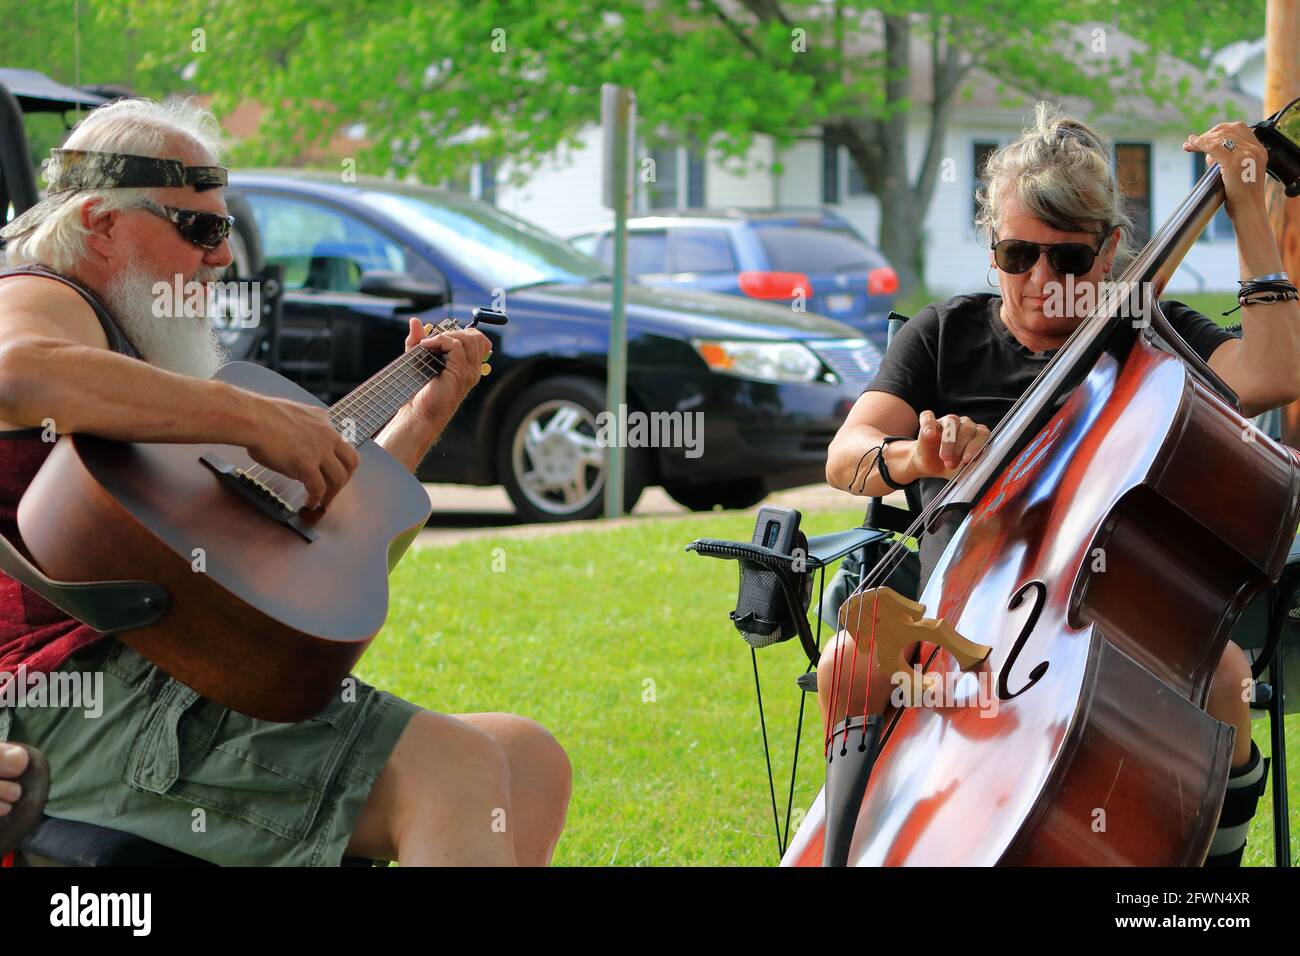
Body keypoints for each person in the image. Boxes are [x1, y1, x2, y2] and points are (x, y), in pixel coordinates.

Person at [0, 97, 571, 866]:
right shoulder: (44, 293)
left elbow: (291, 545)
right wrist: (251, 416)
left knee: (525, 757)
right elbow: (14, 372)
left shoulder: (138, 360)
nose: (221, 257)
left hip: (159, 674)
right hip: (59, 698)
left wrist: (423, 418)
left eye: (224, 229)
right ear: (100, 224)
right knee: (454, 768)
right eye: (198, 227)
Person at [821, 104, 1299, 867]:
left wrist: (1246, 207)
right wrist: (914, 458)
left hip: (1114, 612)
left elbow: (1276, 373)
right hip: (958, 618)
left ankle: (1211, 881)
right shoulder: (944, 335)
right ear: (991, 249)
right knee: (849, 656)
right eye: (1017, 255)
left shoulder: (1154, 339)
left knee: (1227, 676)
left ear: (1110, 251)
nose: (1042, 280)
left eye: (1069, 260)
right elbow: (847, 454)